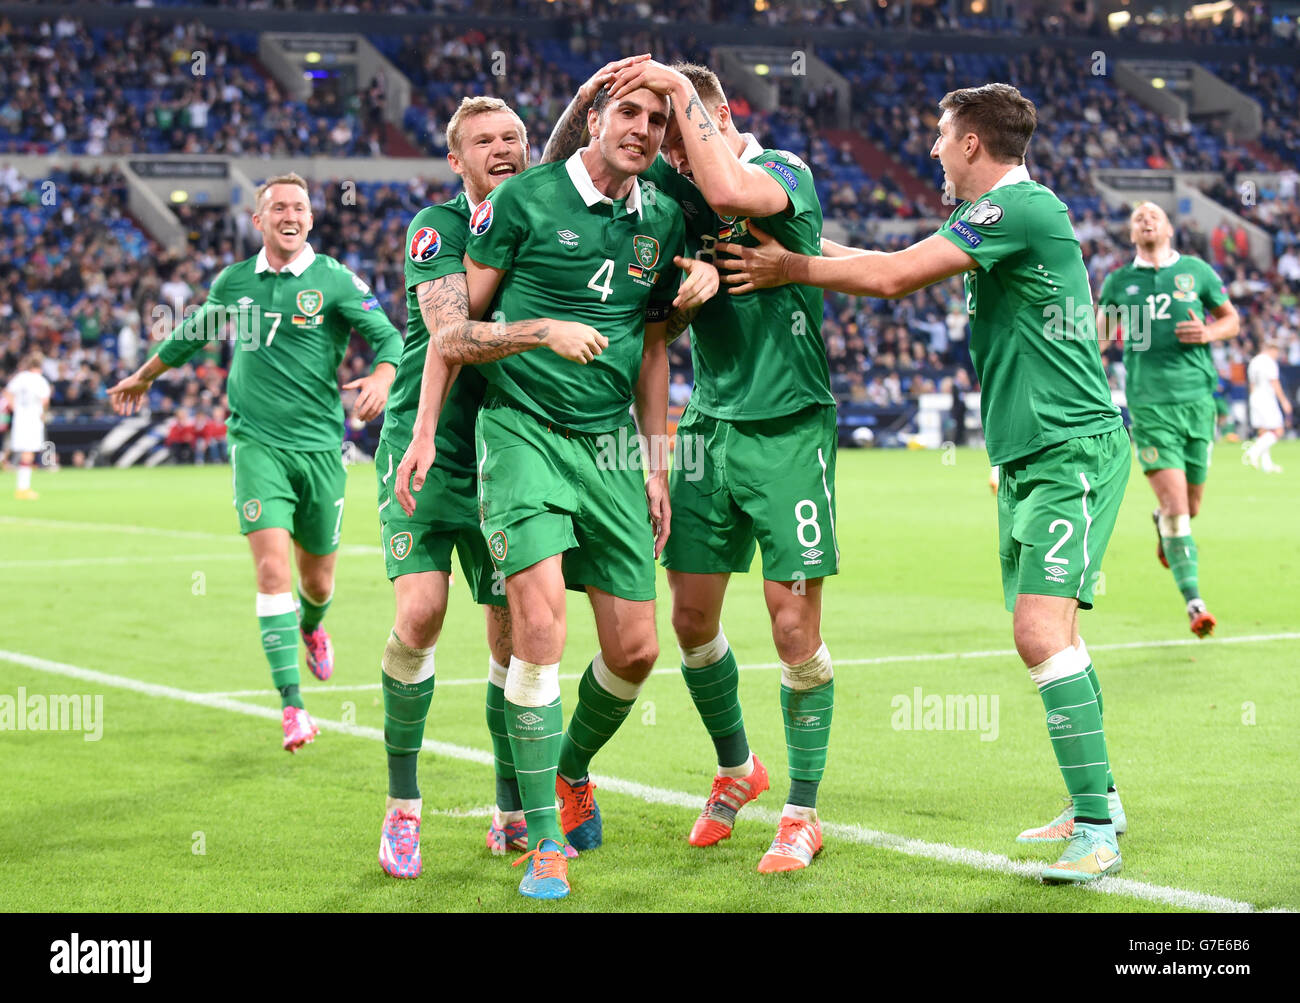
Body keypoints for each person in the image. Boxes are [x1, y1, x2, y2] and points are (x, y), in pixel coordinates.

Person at [718, 83, 1130, 884]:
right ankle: (1099, 801)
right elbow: (885, 260)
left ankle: (1096, 829)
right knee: (1059, 638)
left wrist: (790, 266)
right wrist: (797, 245)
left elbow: (895, 279)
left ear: (973, 142)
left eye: (942, 137)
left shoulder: (1021, 208)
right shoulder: (993, 221)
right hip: (1031, 455)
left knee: (1040, 634)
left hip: (1071, 451)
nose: (933, 150)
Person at [371, 88, 675, 879]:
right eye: (483, 141)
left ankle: (518, 804)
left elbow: (588, 181)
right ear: (455, 158)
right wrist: (434, 427)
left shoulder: (543, 207)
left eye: (515, 137)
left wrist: (700, 272)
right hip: (437, 444)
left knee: (514, 640)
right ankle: (405, 806)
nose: (502, 150)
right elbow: (448, 334)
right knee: (426, 611)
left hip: (517, 442)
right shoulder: (441, 229)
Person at [603, 58, 839, 874]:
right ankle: (739, 767)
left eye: (670, 124)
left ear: (708, 115)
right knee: (691, 621)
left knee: (791, 627)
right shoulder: (671, 202)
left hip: (788, 428)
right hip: (709, 425)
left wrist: (670, 79)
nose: (660, 146)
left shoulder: (779, 170)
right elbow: (657, 334)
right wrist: (659, 457)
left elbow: (736, 193)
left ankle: (802, 812)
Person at [460, 82, 695, 899]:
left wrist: (657, 463)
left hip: (612, 452)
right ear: (593, 121)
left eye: (657, 121)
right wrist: (541, 331)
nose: (642, 129)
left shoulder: (662, 218)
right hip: (521, 431)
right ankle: (543, 841)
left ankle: (561, 772)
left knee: (636, 649)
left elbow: (656, 345)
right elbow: (459, 333)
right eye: (628, 114)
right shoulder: (523, 200)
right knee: (540, 632)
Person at [108, 173, 402, 753]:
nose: (290, 215)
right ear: (258, 220)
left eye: (299, 207)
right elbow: (195, 333)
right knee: (271, 572)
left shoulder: (336, 281)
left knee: (317, 581)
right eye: (278, 208)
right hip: (255, 445)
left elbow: (391, 338)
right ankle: (292, 707)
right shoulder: (235, 281)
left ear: (311, 220)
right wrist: (144, 376)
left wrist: (386, 377)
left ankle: (313, 628)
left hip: (320, 449)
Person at [1095, 202, 1239, 638]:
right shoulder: (1120, 282)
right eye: (1137, 217)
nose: (1145, 218)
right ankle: (1195, 602)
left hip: (1198, 402)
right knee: (1179, 510)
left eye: (1153, 214)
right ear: (1131, 234)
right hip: (1150, 405)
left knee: (1190, 507)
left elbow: (1231, 320)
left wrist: (1209, 332)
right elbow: (1099, 340)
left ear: (1170, 228)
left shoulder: (1196, 273)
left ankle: (1164, 525)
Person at [3, 353, 51, 500]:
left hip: (20, 418)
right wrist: (43, 414)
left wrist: (16, 408)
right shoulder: (40, 380)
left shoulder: (20, 377)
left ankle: (22, 486)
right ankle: (23, 488)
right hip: (33, 418)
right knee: (28, 452)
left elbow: (7, 393)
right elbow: (45, 400)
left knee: (21, 449)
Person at [1244, 339, 1291, 472]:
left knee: (1263, 431)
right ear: (1272, 349)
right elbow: (1274, 383)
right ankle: (1253, 452)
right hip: (1267, 398)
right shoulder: (1269, 362)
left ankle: (1267, 464)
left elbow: (1251, 384)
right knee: (1278, 430)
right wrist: (1283, 401)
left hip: (1255, 398)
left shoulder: (1254, 362)